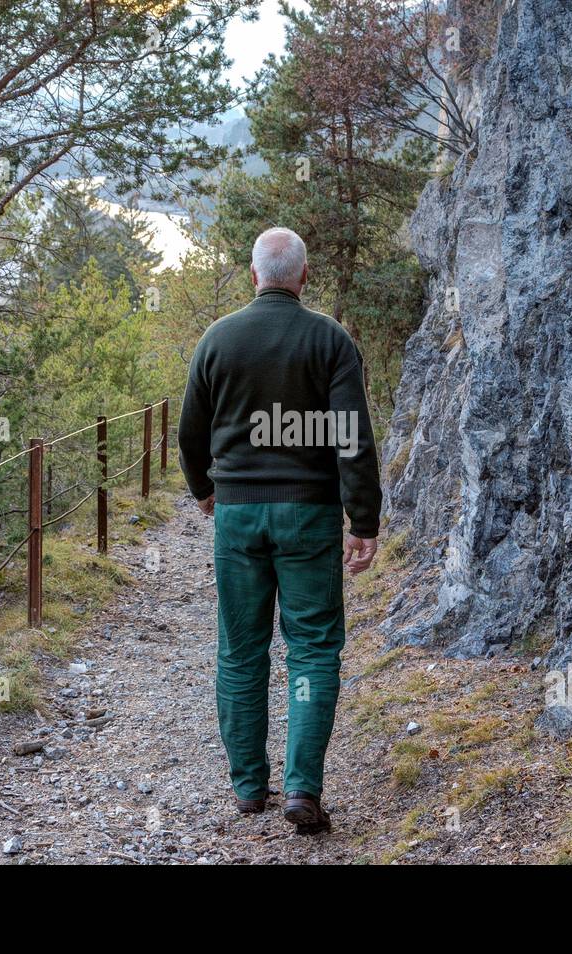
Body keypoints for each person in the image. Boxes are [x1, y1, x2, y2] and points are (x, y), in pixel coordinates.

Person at [178, 226, 381, 834]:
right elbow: (352, 439)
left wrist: (207, 491)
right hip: (309, 514)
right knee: (312, 648)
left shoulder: (218, 339)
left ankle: (247, 787)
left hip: (238, 515)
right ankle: (301, 789)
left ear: (253, 275)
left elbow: (190, 435)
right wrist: (363, 518)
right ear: (304, 275)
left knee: (241, 649)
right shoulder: (329, 340)